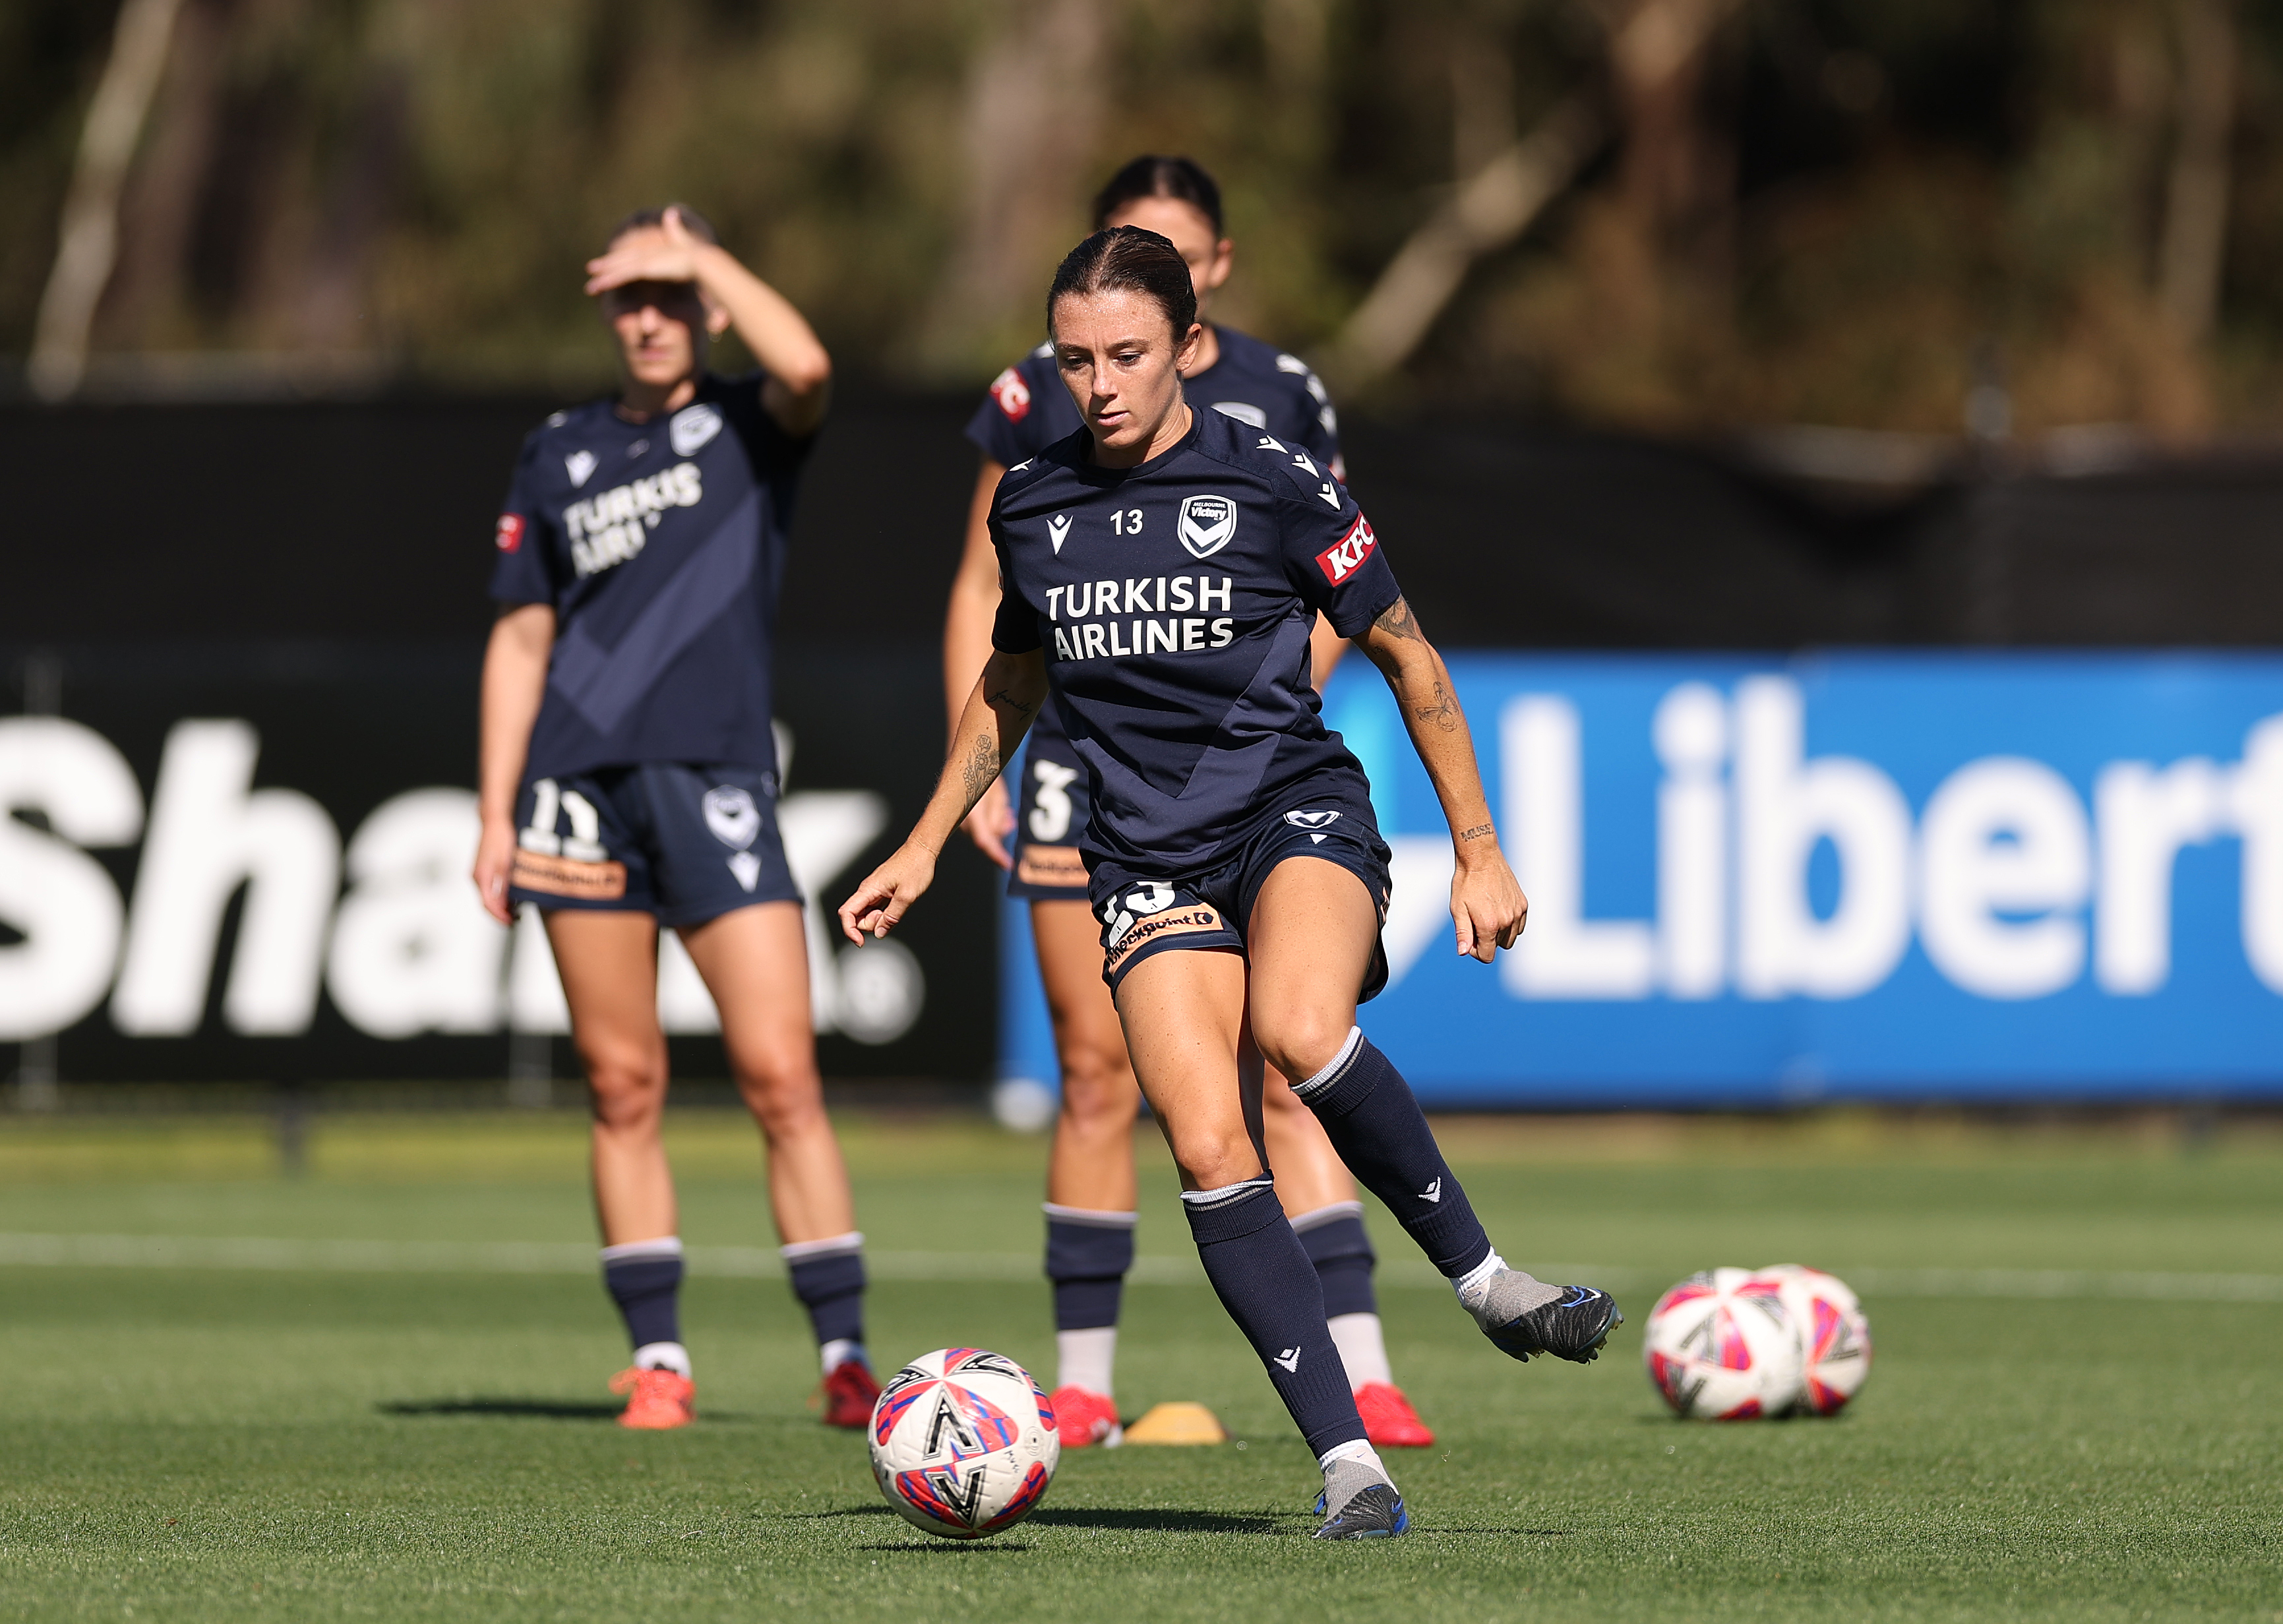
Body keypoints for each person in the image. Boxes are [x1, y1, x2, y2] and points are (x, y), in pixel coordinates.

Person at [843, 226, 1622, 1540]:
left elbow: (1410, 658)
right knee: (1208, 1142)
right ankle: (1350, 1466)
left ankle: (1485, 1278)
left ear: (1186, 343)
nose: (1097, 383)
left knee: (1301, 1032)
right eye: (1075, 357)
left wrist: (1480, 848)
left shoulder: (1274, 477)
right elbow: (1014, 685)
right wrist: (925, 839)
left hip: (1289, 805)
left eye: (1126, 354)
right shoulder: (1030, 500)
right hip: (1143, 851)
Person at [943, 155, 1432, 1451]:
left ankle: (1363, 1365)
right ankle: (1084, 1381)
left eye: (1166, 259)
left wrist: (1251, 721)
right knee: (1099, 1074)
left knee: (1291, 1052)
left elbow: (1333, 588)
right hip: (1076, 770)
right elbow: (997, 613)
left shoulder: (1279, 402)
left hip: (1244, 764)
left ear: (1207, 281)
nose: (1099, 370)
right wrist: (960, 790)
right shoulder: (1042, 414)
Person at [473, 204, 880, 1432]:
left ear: (705, 304)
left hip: (714, 774)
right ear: (606, 311)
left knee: (780, 1075)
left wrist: (697, 253)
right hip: (578, 790)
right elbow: (522, 631)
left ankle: (844, 1355)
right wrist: (495, 813)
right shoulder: (559, 451)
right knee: (622, 1080)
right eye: (629, 297)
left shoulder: (750, 422)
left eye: (670, 295)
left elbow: (808, 365)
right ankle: (658, 1357)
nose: (648, 318)